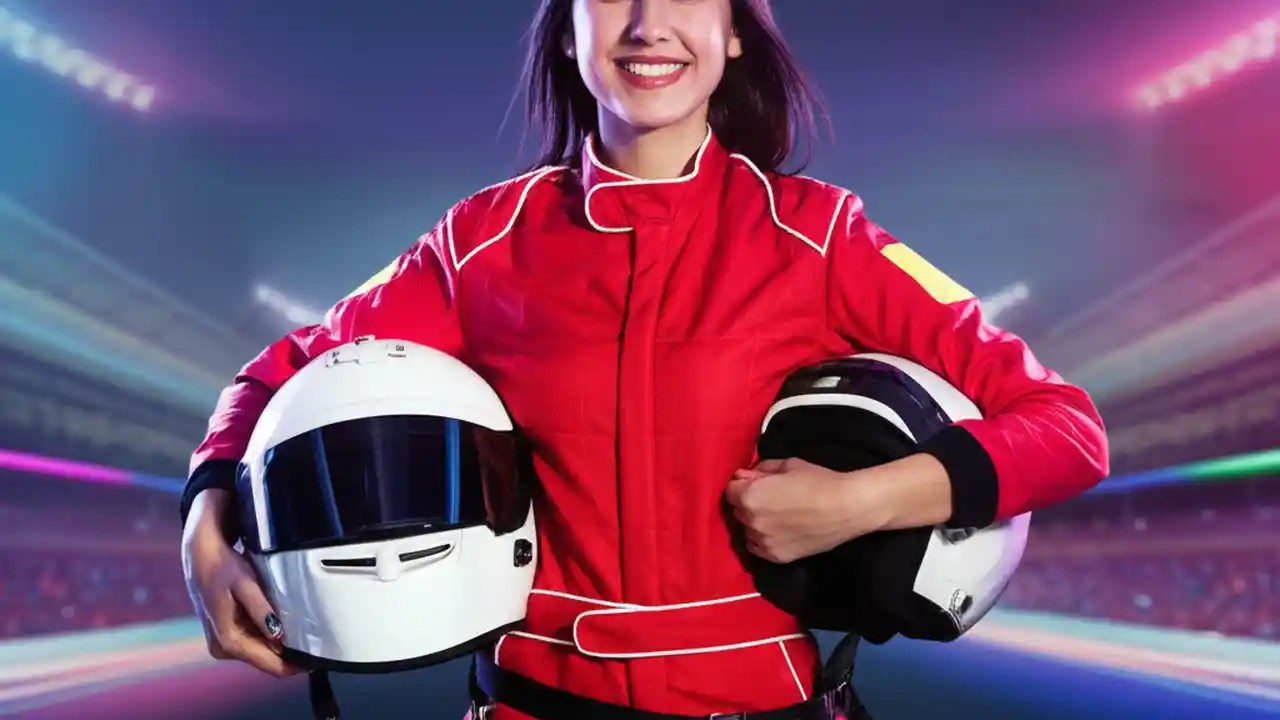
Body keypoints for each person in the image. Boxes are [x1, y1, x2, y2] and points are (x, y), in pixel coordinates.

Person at [179, 1, 1110, 718]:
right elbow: (279, 374)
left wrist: (859, 503)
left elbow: (1068, 429)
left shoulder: (821, 236)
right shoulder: (481, 245)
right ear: (567, 31)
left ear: (735, 31)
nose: (646, 24)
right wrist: (205, 518)